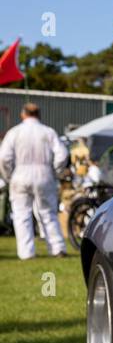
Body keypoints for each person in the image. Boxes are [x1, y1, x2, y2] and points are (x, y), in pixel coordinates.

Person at [0, 103, 69, 259]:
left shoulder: (15, 132)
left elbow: (4, 158)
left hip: (20, 174)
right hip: (44, 174)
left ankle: (26, 253)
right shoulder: (48, 132)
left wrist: (9, 176)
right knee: (48, 212)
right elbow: (62, 154)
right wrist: (55, 171)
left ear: (23, 114)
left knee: (21, 214)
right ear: (38, 114)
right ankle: (57, 248)